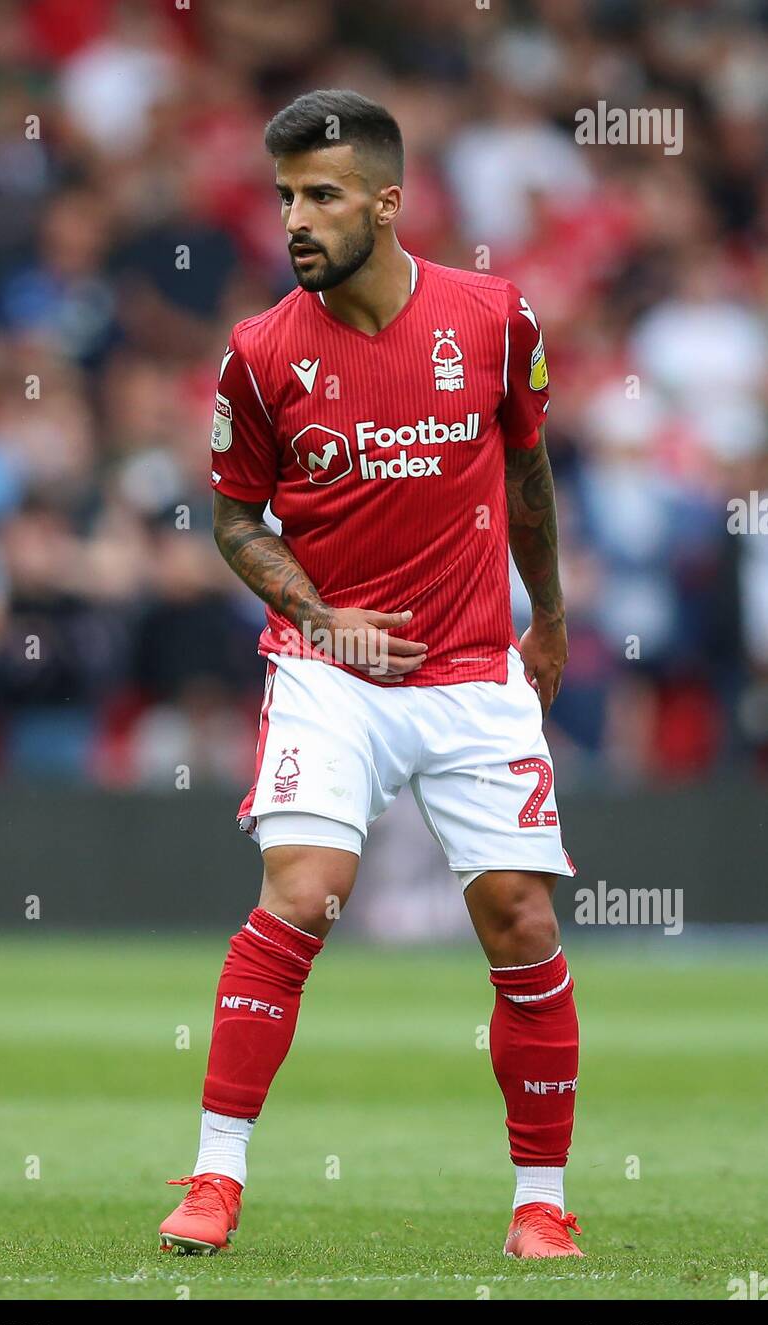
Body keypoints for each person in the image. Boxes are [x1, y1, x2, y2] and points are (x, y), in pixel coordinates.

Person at [159, 90, 582, 1260]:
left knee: (520, 916)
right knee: (302, 894)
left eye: (323, 195)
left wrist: (547, 620)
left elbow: (530, 476)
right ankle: (214, 1179)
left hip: (470, 669)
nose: (297, 217)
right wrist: (320, 612)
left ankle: (540, 1202)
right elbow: (234, 521)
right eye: (287, 194)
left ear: (388, 204)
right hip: (327, 669)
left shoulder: (495, 317)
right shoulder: (258, 354)